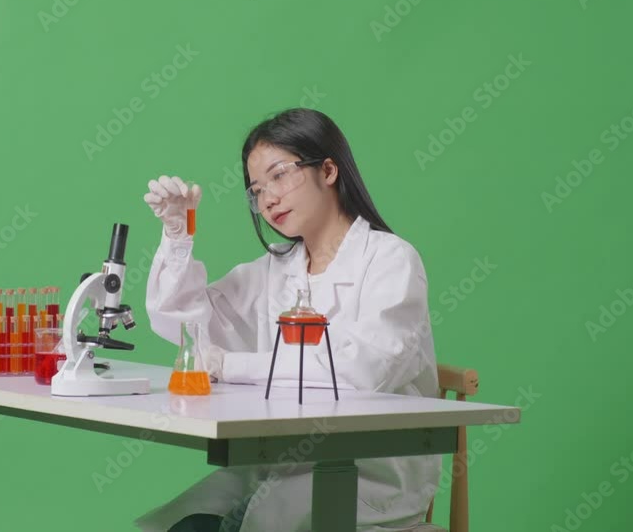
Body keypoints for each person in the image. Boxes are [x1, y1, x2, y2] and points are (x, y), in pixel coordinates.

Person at [136, 108, 440, 532]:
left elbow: (361, 371)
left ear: (329, 170)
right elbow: (188, 325)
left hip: (368, 474)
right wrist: (177, 236)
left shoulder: (390, 260)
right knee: (184, 526)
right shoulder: (276, 267)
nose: (268, 199)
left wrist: (231, 365)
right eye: (257, 189)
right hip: (276, 466)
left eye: (279, 176)